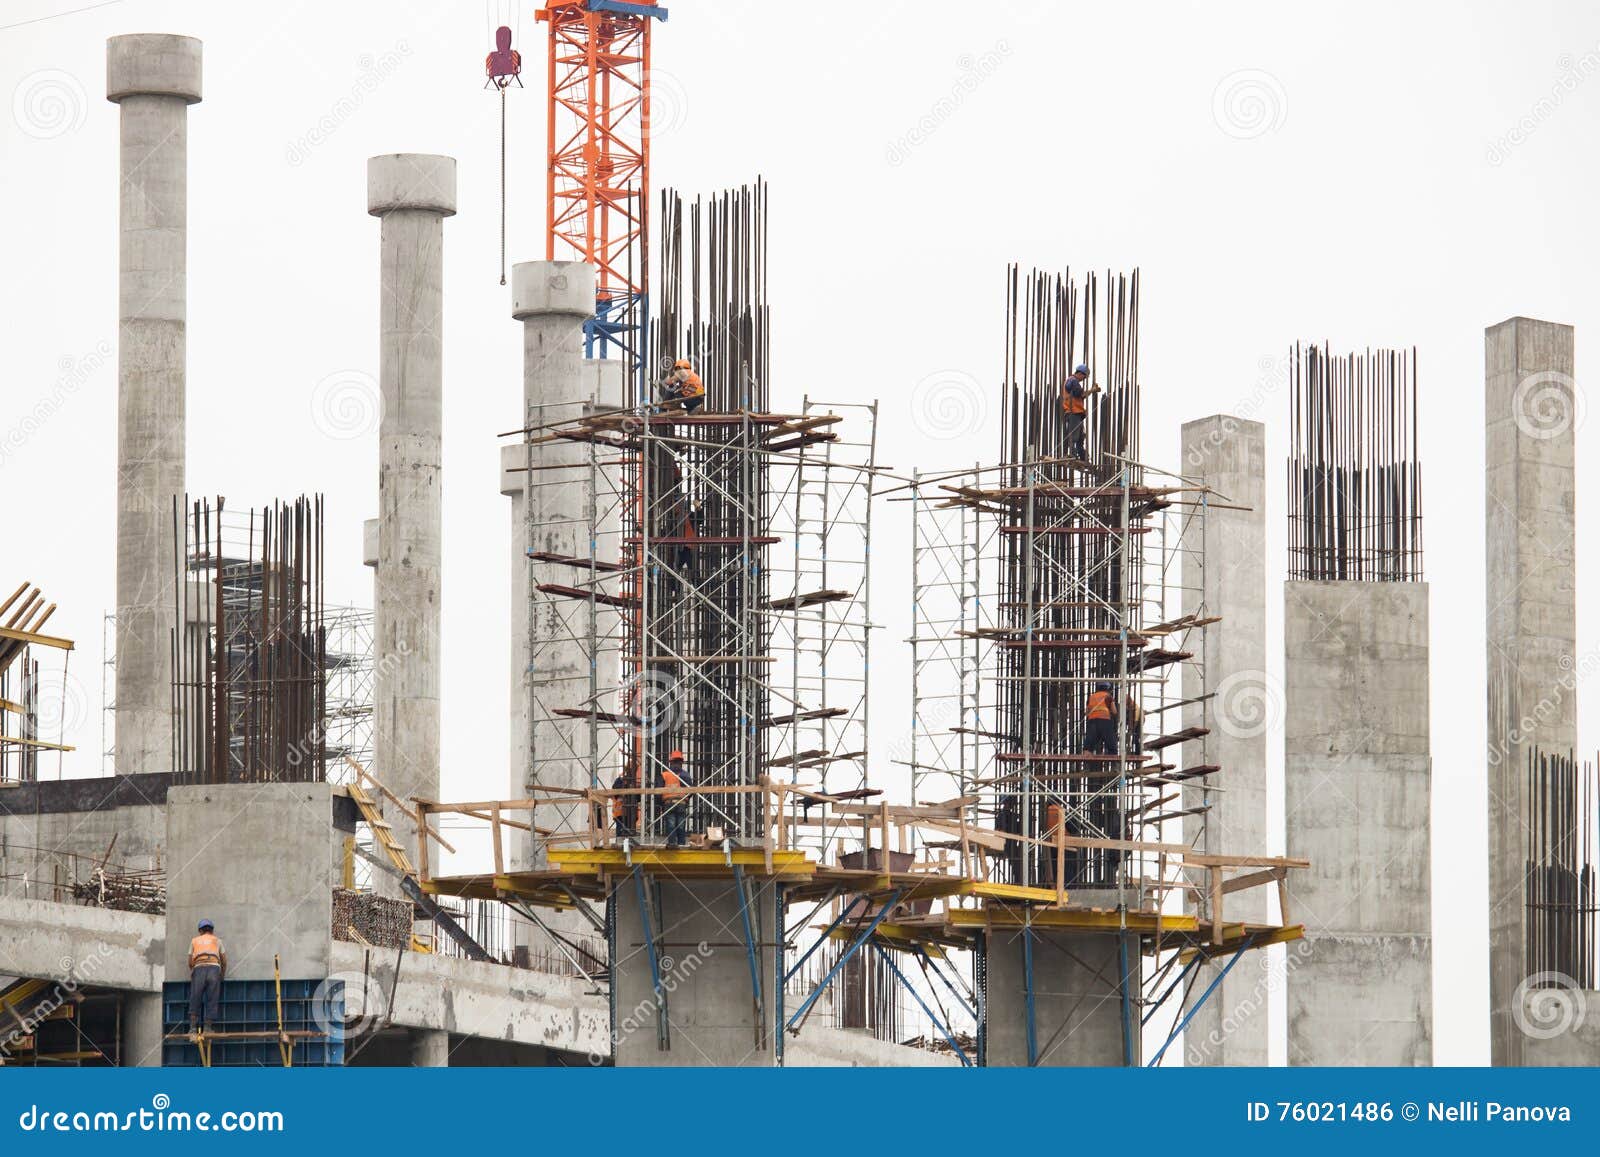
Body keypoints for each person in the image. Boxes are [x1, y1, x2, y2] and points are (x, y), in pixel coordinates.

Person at [187, 919, 227, 1034]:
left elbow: (190, 961)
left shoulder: (194, 941)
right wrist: (222, 975)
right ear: (212, 930)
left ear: (200, 930)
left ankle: (193, 1028)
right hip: (214, 968)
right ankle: (208, 1028)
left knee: (195, 997)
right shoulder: (217, 940)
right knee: (212, 998)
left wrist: (193, 971)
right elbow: (224, 960)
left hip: (199, 967)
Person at [1061, 363, 1102, 460]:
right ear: (1080, 373)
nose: (1083, 380)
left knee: (1080, 436)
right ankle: (1072, 454)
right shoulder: (1073, 380)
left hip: (1077, 413)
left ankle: (1082, 455)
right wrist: (1092, 390)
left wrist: (1092, 390)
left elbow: (1080, 395)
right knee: (1074, 435)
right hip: (1073, 412)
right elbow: (1080, 394)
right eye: (1084, 377)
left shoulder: (1073, 381)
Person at [659, 749, 692, 847]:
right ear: (681, 762)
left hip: (669, 803)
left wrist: (661, 804)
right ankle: (681, 844)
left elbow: (658, 791)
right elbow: (691, 790)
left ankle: (672, 843)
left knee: (671, 824)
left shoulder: (664, 774)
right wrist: (685, 799)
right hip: (681, 803)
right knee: (681, 825)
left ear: (671, 762)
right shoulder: (685, 774)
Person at [1083, 681, 1119, 755]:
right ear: (1107, 688)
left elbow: (1086, 712)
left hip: (1092, 720)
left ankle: (1086, 761)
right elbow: (1114, 711)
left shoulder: (1091, 697)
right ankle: (1113, 762)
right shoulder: (1108, 696)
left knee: (1089, 744)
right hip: (1105, 720)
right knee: (1111, 743)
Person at [611, 768, 639, 840]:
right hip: (620, 812)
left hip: (631, 813)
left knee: (629, 833)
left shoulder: (633, 782)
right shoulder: (619, 780)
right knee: (621, 832)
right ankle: (620, 842)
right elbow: (616, 790)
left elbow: (638, 797)